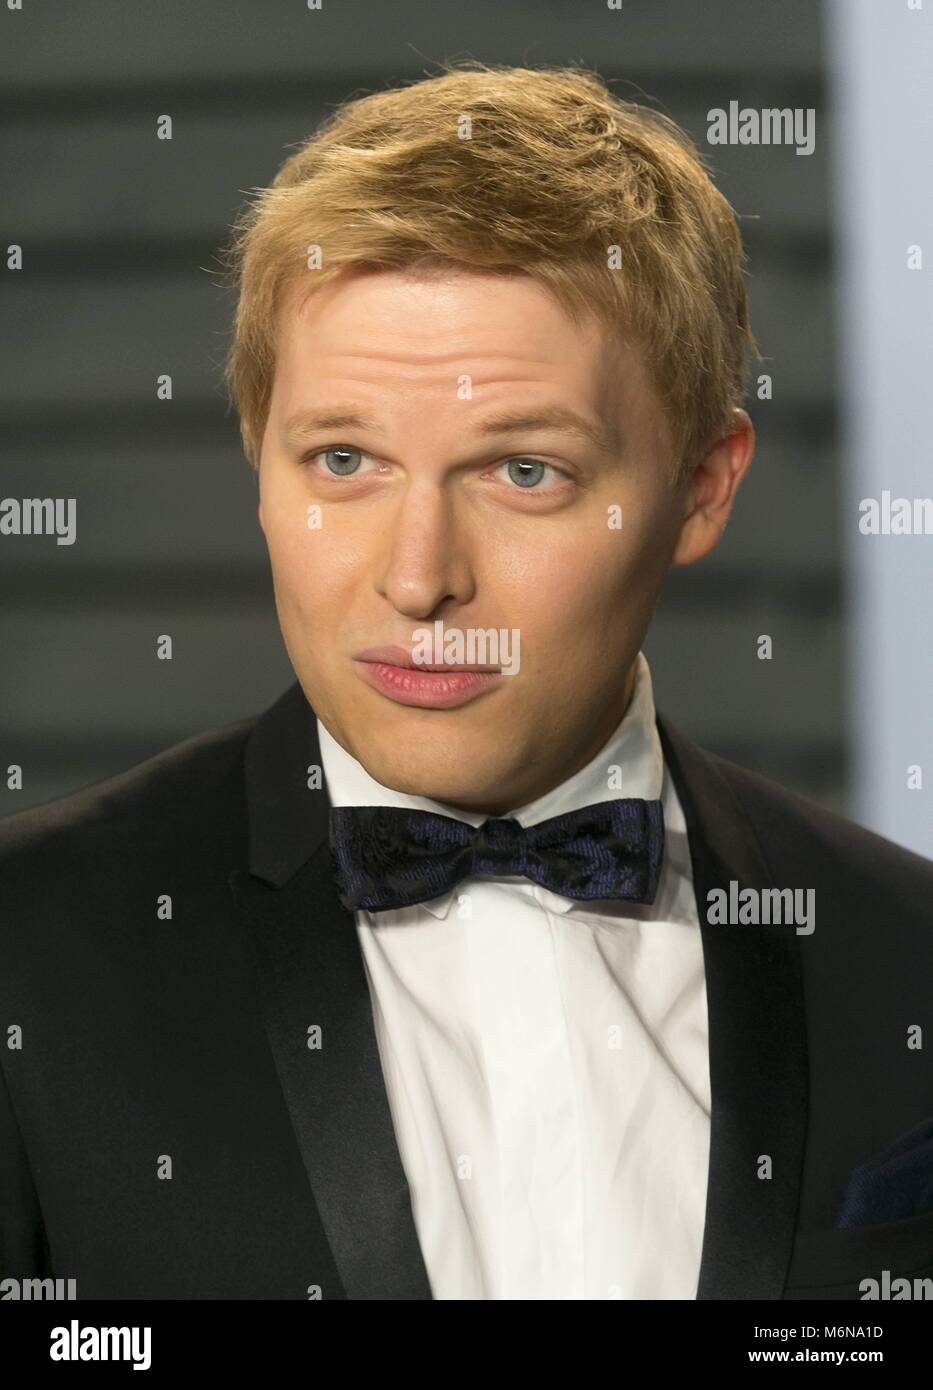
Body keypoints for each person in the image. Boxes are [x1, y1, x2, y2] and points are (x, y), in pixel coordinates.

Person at [2, 62, 932, 1302]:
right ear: (257, 461)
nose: (419, 579)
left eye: (523, 473)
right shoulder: (29, 952)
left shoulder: (906, 954)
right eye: (345, 459)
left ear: (704, 485)